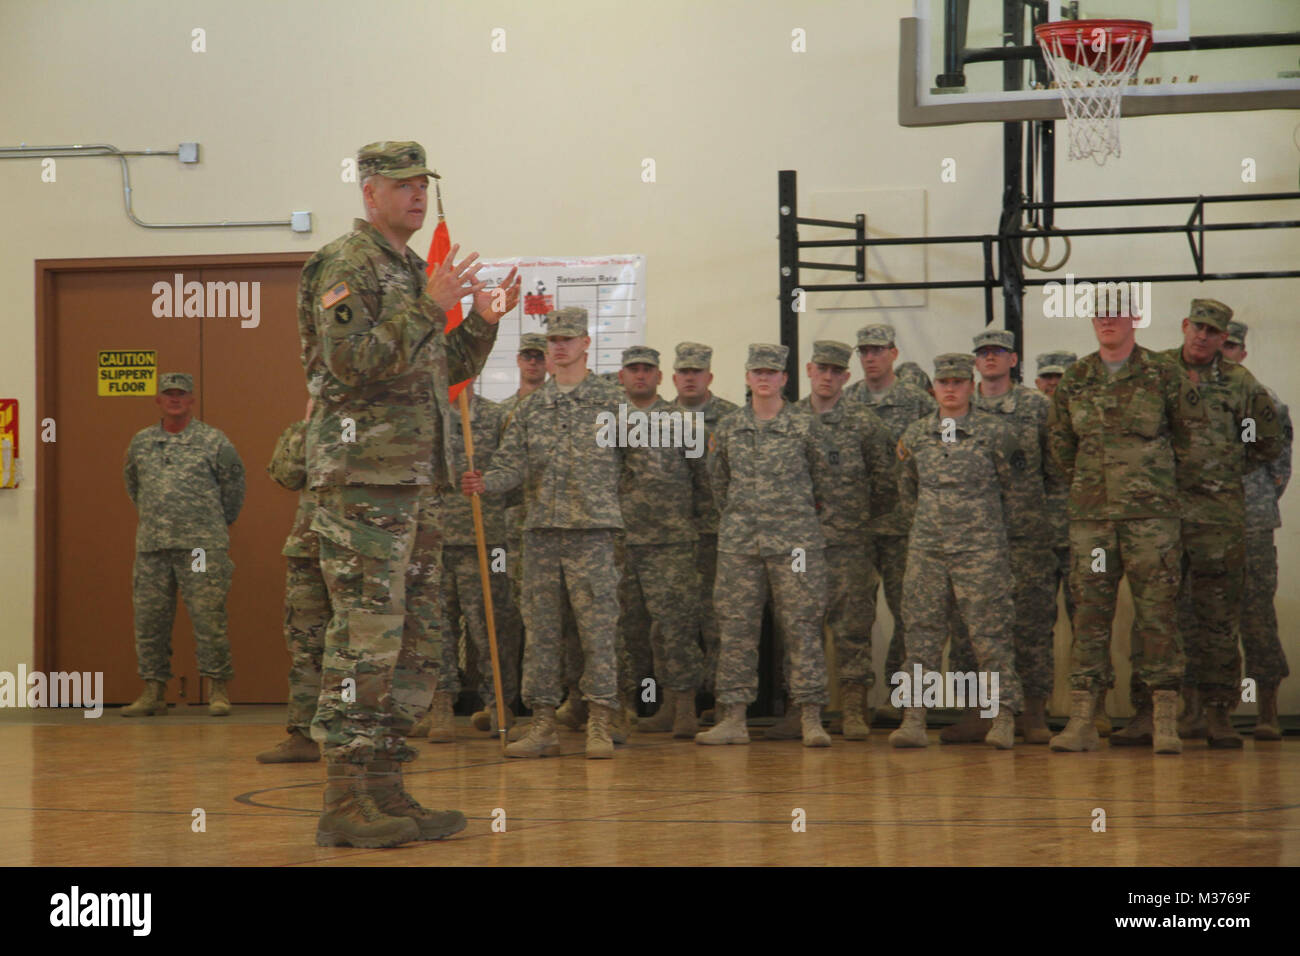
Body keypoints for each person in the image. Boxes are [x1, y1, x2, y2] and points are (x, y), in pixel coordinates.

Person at [300, 140, 519, 847]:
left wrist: (482, 320)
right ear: (369, 194)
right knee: (364, 643)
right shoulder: (346, 264)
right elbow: (352, 362)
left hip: (415, 487)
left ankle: (387, 789)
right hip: (362, 486)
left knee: (415, 646)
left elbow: (437, 368)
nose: (417, 196)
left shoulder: (413, 271)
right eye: (402, 185)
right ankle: (344, 798)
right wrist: (428, 304)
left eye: (423, 184)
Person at [462, 307, 626, 759]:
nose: (558, 347)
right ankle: (542, 723)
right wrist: (486, 481)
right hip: (540, 536)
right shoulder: (532, 408)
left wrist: (608, 510)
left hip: (592, 535)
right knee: (542, 633)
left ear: (586, 344)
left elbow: (635, 468)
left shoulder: (613, 403)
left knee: (597, 632)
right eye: (553, 340)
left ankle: (599, 721)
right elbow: (512, 465)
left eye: (568, 339)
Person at [1047, 296, 1200, 755]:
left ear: (1135, 319)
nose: (1107, 322)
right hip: (1092, 521)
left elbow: (1191, 440)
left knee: (1158, 616)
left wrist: (1156, 490)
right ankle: (1082, 718)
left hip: (1151, 523)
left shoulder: (1163, 374)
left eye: (1117, 314)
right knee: (1090, 616)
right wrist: (1093, 486)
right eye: (1100, 315)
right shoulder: (1076, 378)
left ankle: (1163, 718)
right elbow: (1060, 445)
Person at [1145, 300, 1280, 749]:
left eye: (1212, 331)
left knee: (1219, 617)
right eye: (1197, 327)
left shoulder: (1242, 384)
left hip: (1218, 517)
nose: (1202, 336)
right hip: (1162, 514)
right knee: (1160, 614)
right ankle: (1162, 711)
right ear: (1184, 326)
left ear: (1225, 338)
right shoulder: (1156, 370)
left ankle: (1220, 712)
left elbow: (1263, 440)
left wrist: (1225, 462)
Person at [696, 343, 832, 748]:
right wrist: (742, 519)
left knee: (802, 627)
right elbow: (718, 484)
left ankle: (809, 715)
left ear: (785, 379)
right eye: (758, 372)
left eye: (772, 373)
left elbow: (823, 487)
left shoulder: (806, 427)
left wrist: (799, 523)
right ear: (747, 377)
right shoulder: (729, 427)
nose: (765, 379)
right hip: (740, 544)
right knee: (735, 630)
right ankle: (734, 717)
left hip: (796, 545)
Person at [890, 353, 1022, 750]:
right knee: (921, 635)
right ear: (933, 388)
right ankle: (914, 718)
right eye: (943, 382)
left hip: (981, 549)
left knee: (990, 635)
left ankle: (1001, 717)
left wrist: (991, 534)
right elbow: (907, 490)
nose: (950, 388)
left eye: (959, 381)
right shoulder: (914, 435)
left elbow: (1015, 493)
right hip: (929, 549)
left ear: (971, 385)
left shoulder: (997, 433)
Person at [767, 341, 893, 741]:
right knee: (799, 626)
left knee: (853, 626)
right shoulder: (785, 419)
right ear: (807, 369)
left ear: (846, 377)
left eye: (836, 371)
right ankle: (801, 709)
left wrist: (854, 519)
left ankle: (854, 709)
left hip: (848, 542)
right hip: (798, 544)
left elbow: (886, 482)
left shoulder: (863, 423)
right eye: (821, 368)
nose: (827, 376)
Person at [944, 330, 1060, 744]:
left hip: (1025, 535)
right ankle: (979, 711)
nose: (989, 358)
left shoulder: (1037, 408)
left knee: (1030, 623)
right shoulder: (958, 408)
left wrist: (1053, 526)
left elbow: (1058, 469)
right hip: (970, 537)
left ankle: (1032, 713)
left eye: (998, 352)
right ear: (975, 363)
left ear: (1013, 360)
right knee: (969, 627)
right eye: (983, 353)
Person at [122, 372, 245, 718]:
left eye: (182, 394)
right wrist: (157, 517)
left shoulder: (213, 441)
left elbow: (234, 486)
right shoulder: (142, 442)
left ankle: (218, 689)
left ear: (192, 400)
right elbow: (133, 485)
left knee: (207, 617)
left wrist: (217, 522)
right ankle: (153, 691)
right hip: (153, 547)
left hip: (200, 548)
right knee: (150, 621)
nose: (175, 399)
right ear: (158, 401)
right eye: (168, 394)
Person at [413, 378, 523, 741]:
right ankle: (441, 705)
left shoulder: (497, 416)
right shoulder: (425, 416)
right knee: (437, 627)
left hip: (487, 542)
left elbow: (517, 475)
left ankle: (498, 704)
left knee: (493, 624)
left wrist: (488, 487)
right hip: (434, 538)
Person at [615, 346, 709, 739]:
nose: (640, 375)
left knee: (676, 628)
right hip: (620, 541)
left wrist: (696, 529)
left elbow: (705, 481)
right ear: (622, 376)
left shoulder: (683, 422)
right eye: (632, 369)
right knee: (623, 629)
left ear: (659, 376)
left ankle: (682, 706)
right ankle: (623, 707)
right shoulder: (607, 420)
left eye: (647, 369)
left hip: (671, 543)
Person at [843, 324, 937, 709]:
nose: (870, 357)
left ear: (894, 354)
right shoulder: (846, 402)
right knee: (853, 615)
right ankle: (854, 702)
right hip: (855, 528)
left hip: (904, 527)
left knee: (910, 613)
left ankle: (903, 700)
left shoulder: (918, 402)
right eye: (863, 350)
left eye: (877, 350)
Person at [1222, 320, 1292, 739]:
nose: (1224, 352)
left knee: (1256, 615)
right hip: (1203, 524)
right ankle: (1209, 709)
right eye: (1218, 344)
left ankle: (1266, 708)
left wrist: (1253, 505)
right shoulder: (1190, 400)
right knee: (1202, 617)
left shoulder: (1267, 403)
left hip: (1252, 522)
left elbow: (1279, 472)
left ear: (1243, 353)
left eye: (1232, 346)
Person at [671, 342, 740, 716]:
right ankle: (675, 702)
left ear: (709, 377)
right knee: (675, 621)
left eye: (697, 372)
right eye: (684, 372)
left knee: (718, 620)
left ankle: (718, 701)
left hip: (719, 536)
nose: (690, 379)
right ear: (674, 377)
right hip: (671, 538)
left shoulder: (731, 419)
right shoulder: (658, 419)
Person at [257, 402, 327, 762]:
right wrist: (307, 423)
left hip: (357, 553)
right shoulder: (303, 429)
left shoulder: (363, 424)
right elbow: (286, 474)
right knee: (305, 645)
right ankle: (303, 734)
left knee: (360, 649)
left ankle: (363, 738)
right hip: (308, 549)